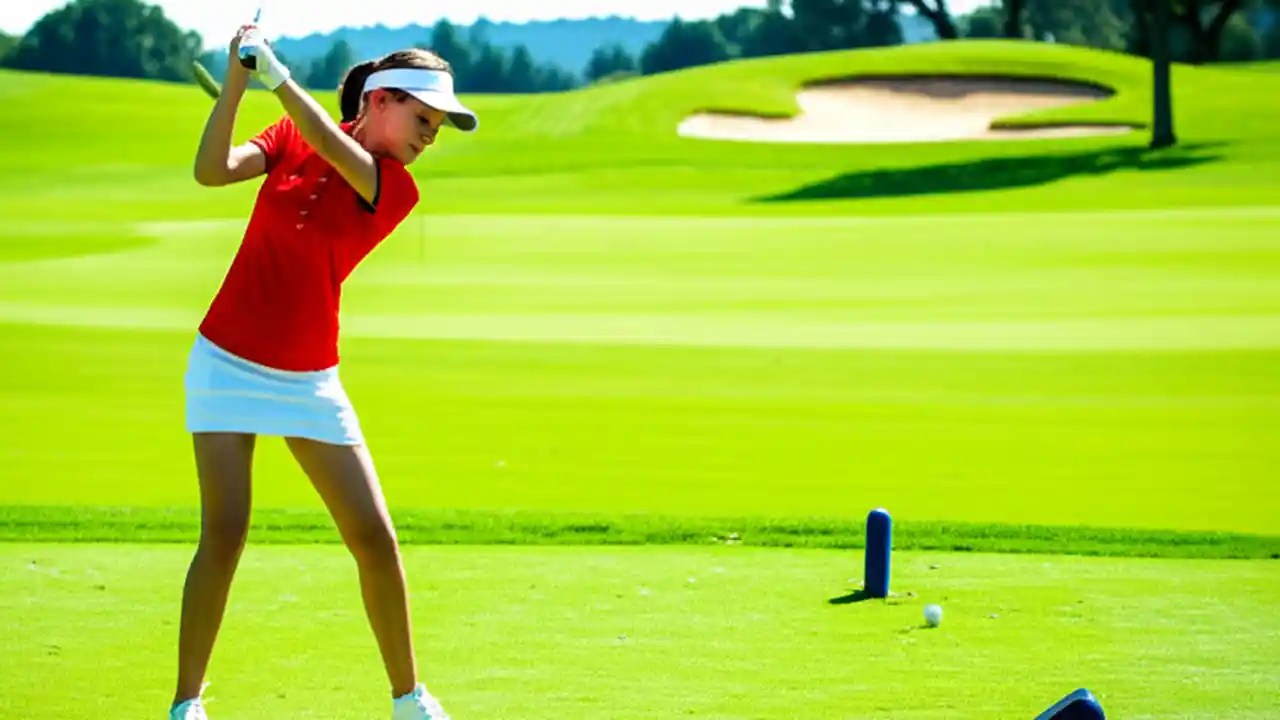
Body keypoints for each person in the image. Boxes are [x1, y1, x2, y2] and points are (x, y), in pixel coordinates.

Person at [170, 23, 477, 720]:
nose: (431, 135)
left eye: (439, 127)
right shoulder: (288, 138)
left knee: (373, 535)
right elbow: (212, 170)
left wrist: (276, 77)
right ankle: (186, 705)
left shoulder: (392, 187)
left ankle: (410, 699)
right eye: (423, 118)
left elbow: (336, 151)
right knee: (224, 532)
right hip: (223, 361)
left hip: (307, 378)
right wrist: (239, 82)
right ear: (381, 100)